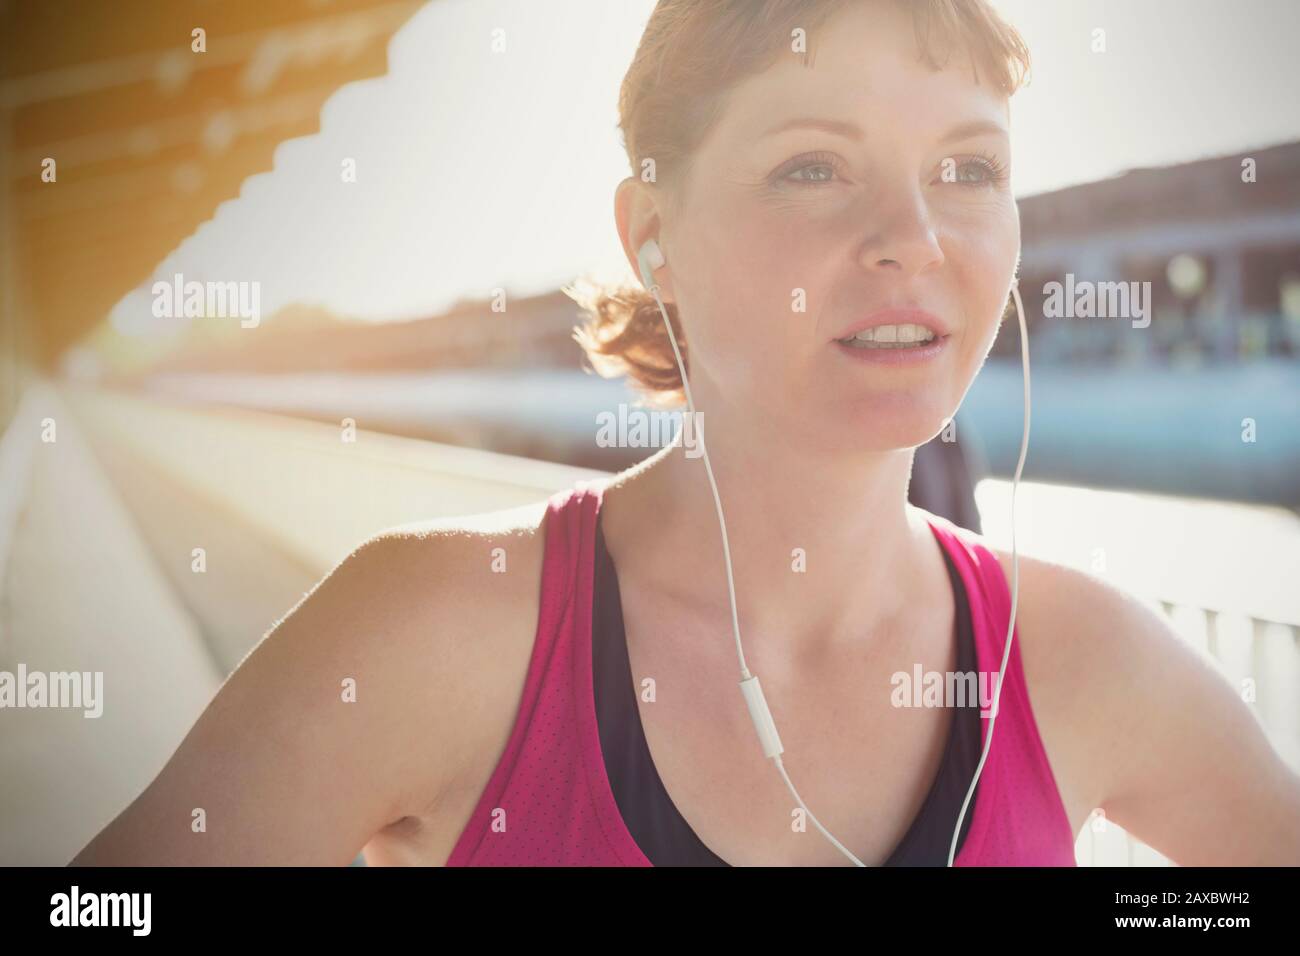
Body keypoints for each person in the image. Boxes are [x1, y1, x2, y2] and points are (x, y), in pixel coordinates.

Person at [69, 0, 1300, 867]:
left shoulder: (1083, 660)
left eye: (968, 169)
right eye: (814, 167)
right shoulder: (438, 630)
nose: (913, 237)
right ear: (651, 234)